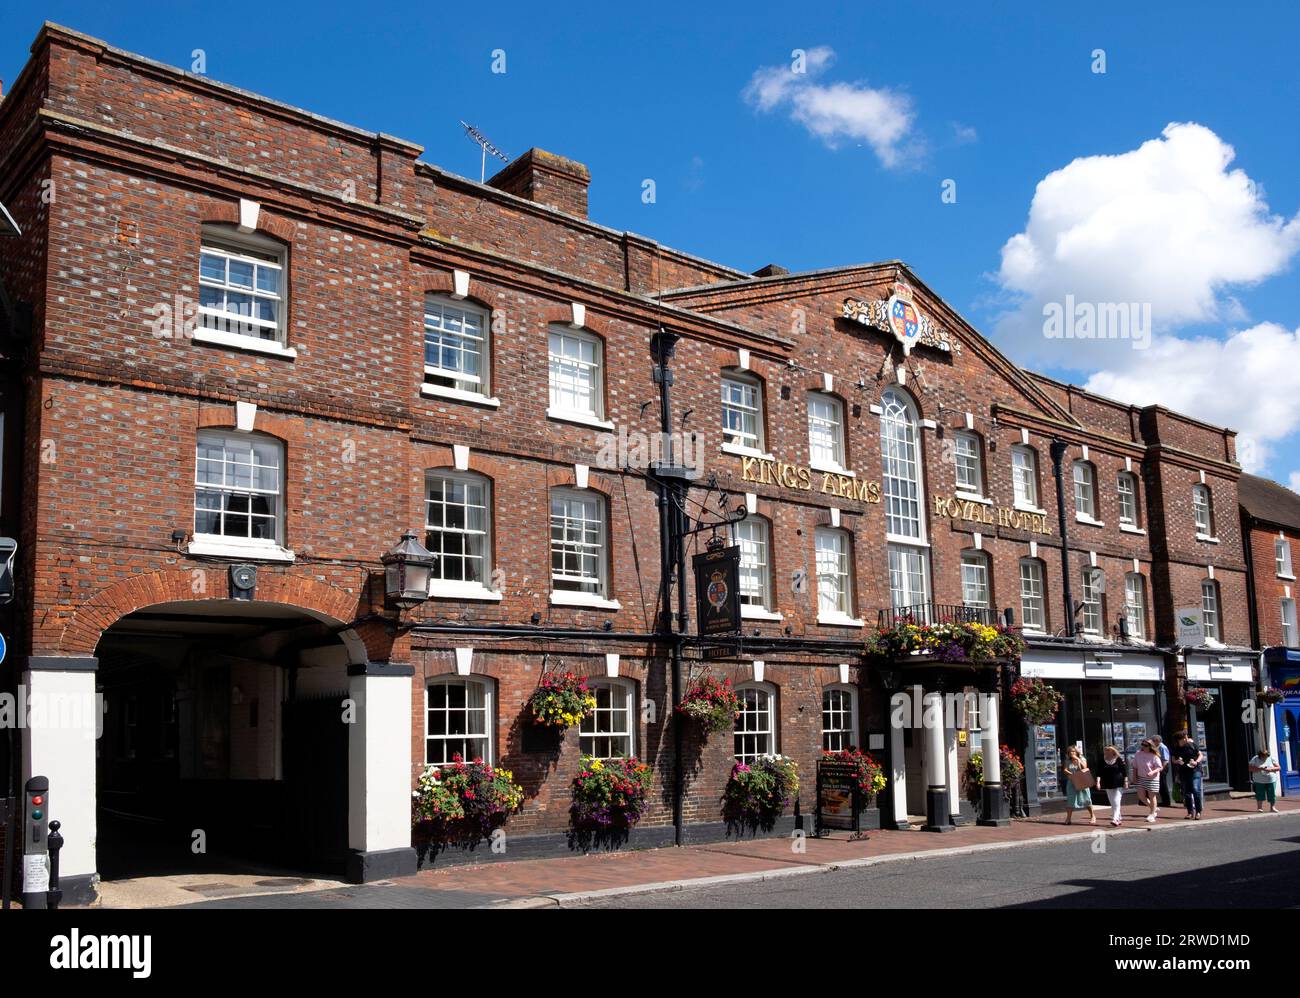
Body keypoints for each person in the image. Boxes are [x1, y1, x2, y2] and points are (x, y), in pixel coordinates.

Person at [1130, 739, 1165, 823]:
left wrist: (1152, 772)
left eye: (1145, 745)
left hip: (1152, 779)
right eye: (1142, 744)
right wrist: (1134, 777)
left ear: (1150, 746)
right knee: (1141, 796)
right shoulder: (1138, 754)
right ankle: (1153, 808)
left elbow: (1160, 767)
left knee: (1152, 796)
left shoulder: (1154, 756)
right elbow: (1135, 766)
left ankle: (1152, 814)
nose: (1143, 747)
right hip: (1141, 777)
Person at [1172, 732, 1204, 819]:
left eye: (1186, 737)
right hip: (1183, 772)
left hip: (1195, 770)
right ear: (1179, 740)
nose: (1186, 739)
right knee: (1187, 793)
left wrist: (1196, 762)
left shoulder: (1192, 745)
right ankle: (1190, 812)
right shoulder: (1176, 748)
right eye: (1184, 738)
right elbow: (1173, 759)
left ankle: (1198, 812)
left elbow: (1201, 755)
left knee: (1195, 790)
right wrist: (1177, 761)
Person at [1062, 745, 1096, 825]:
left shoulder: (1082, 759)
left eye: (1073, 751)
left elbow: (1084, 769)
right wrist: (1071, 774)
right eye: (1070, 752)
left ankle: (1092, 816)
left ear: (1076, 752)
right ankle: (1068, 818)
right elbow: (1065, 770)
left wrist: (1078, 760)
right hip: (1071, 781)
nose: (1072, 753)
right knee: (1070, 799)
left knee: (1086, 799)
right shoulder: (1067, 760)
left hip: (1082, 781)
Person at [1097, 745, 1128, 826]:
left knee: (1116, 801)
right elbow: (1099, 773)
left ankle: (1115, 819)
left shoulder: (1118, 760)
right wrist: (1098, 782)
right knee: (1112, 802)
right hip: (1107, 783)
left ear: (1113, 752)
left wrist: (1126, 782)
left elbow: (1124, 772)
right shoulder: (1102, 761)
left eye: (1108, 751)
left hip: (1118, 783)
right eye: (1105, 751)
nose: (1106, 753)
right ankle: (1119, 818)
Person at [1248, 748, 1281, 813]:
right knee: (1260, 794)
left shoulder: (1271, 758)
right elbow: (1250, 768)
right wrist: (1259, 768)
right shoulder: (1255, 759)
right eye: (1263, 757)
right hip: (1259, 780)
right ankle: (1259, 808)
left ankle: (1272, 807)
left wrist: (1271, 769)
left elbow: (1279, 767)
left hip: (1271, 780)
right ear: (1260, 756)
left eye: (1266, 756)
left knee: (1272, 794)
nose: (1265, 758)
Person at [1151, 734, 1172, 808]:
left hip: (1163, 767)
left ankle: (1166, 801)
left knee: (1163, 784)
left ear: (1157, 741)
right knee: (1160, 784)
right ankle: (1164, 800)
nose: (1152, 742)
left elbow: (1166, 759)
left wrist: (1162, 768)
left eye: (1153, 741)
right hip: (1159, 767)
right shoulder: (1157, 747)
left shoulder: (1163, 747)